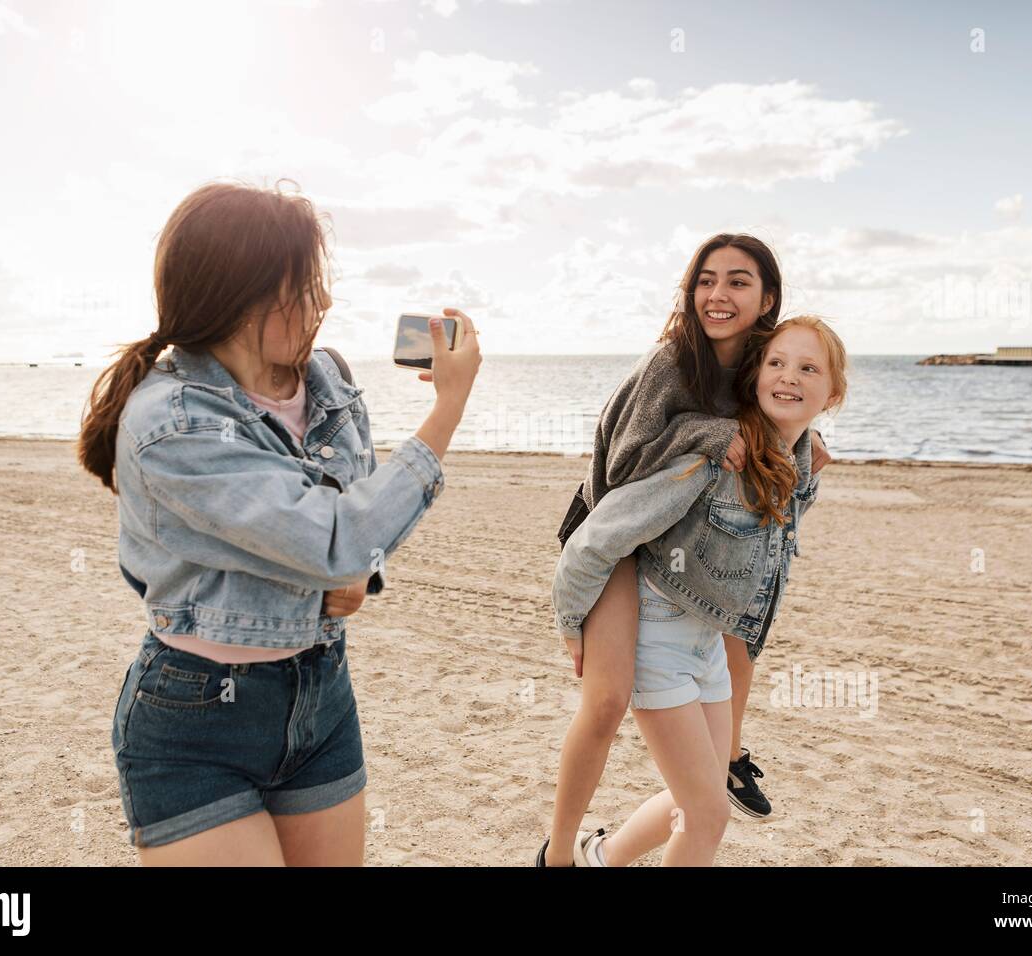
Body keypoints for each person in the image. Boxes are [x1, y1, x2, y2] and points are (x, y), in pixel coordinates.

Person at [76, 179, 481, 865]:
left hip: (321, 695)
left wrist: (363, 582)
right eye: (304, 286)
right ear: (240, 294)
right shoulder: (172, 421)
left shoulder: (328, 379)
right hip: (195, 720)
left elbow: (357, 528)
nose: (323, 303)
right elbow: (339, 537)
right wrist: (448, 409)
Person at [538, 234, 829, 866]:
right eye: (706, 279)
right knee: (608, 698)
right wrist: (711, 431)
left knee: (729, 648)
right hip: (616, 523)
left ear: (767, 298)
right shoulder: (673, 361)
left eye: (738, 282)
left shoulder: (762, 358)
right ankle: (558, 853)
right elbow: (625, 462)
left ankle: (721, 765)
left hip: (684, 539)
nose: (717, 295)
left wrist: (805, 447)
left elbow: (787, 398)